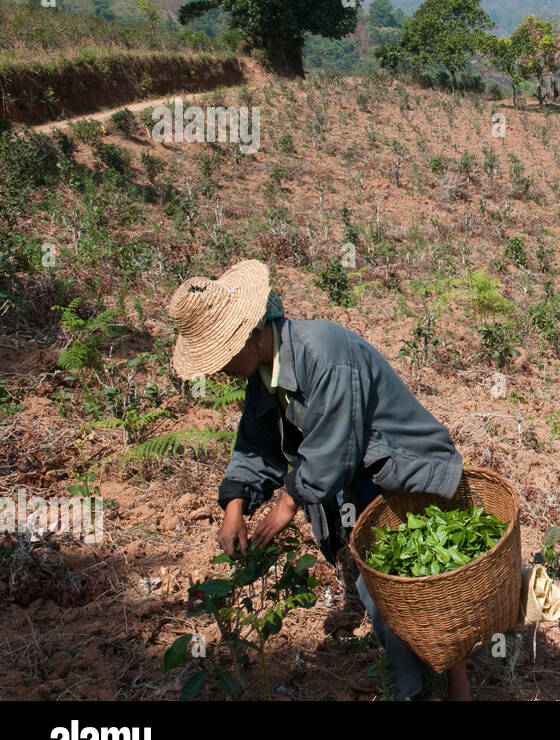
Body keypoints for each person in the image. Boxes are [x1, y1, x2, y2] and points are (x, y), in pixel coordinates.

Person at [167, 259, 469, 701]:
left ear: (251, 336)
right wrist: (235, 506)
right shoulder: (263, 376)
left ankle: (426, 686)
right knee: (381, 584)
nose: (218, 372)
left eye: (221, 357)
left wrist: (288, 503)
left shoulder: (323, 352)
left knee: (396, 581)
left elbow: (335, 447)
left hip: (410, 472)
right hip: (367, 475)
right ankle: (412, 677)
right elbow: (254, 446)